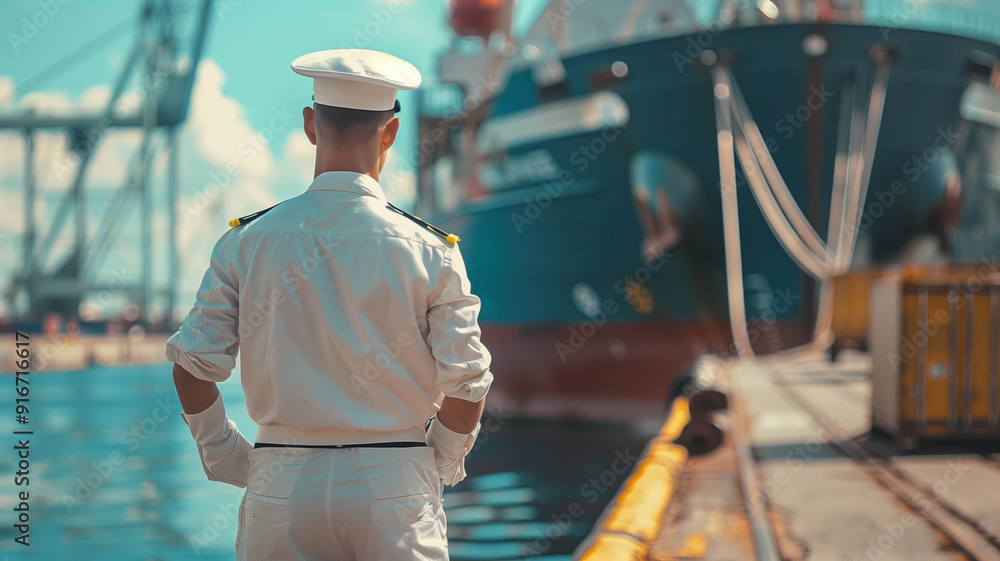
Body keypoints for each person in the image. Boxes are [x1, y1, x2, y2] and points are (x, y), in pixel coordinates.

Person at [166, 48, 493, 560]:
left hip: (279, 479)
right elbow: (468, 382)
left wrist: (226, 455)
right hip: (396, 480)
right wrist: (439, 462)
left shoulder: (246, 242)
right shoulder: (433, 251)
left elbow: (192, 367)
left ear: (310, 126)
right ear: (391, 133)